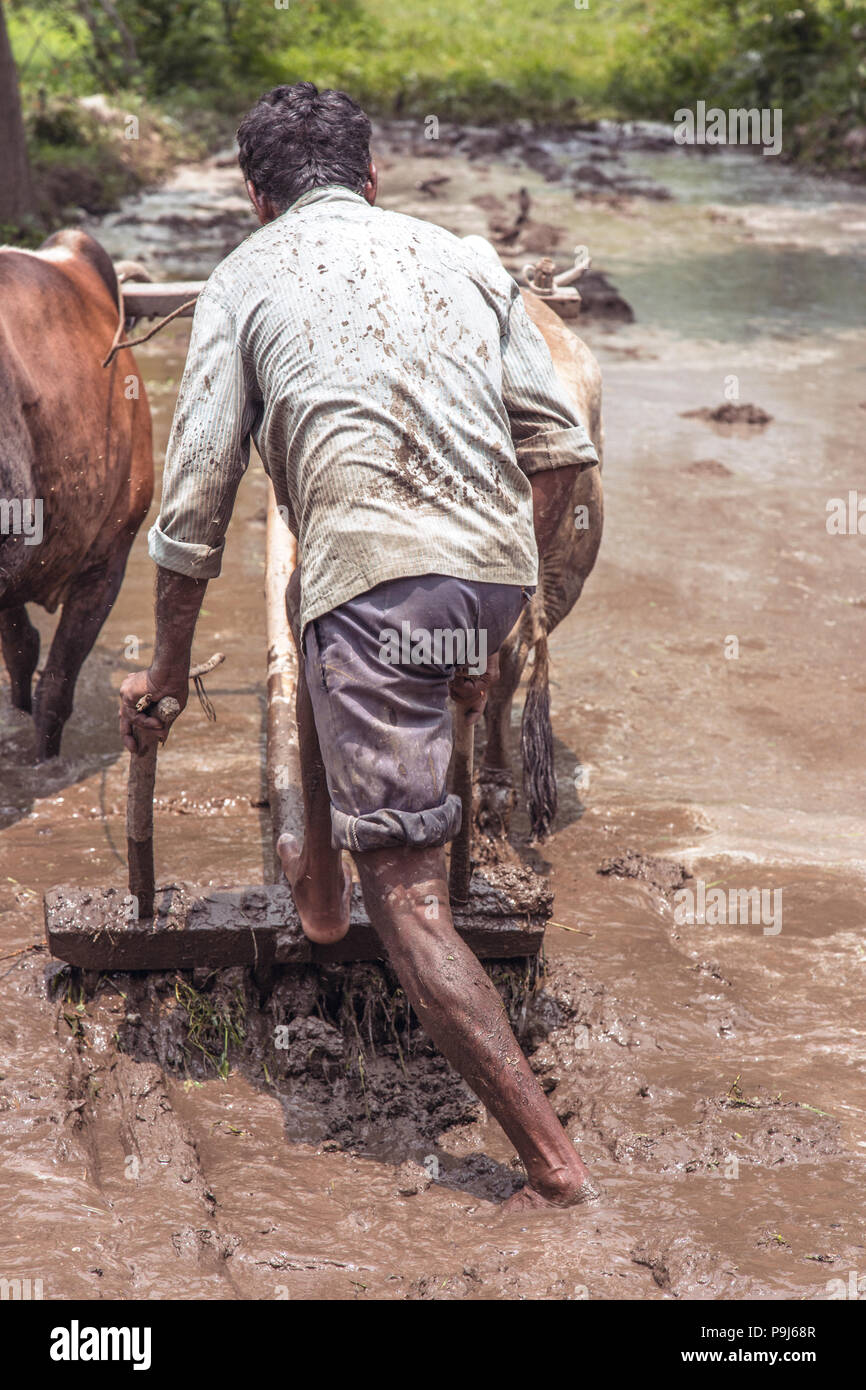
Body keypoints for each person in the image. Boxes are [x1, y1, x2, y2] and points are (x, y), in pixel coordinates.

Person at [119, 82, 600, 1210]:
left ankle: (551, 1165)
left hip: (377, 590)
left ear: (254, 199)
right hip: (480, 573)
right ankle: (318, 886)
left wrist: (169, 673)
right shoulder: (467, 258)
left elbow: (189, 513)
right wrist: (500, 616)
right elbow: (561, 448)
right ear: (371, 178)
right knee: (322, 633)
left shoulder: (242, 279)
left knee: (412, 901)